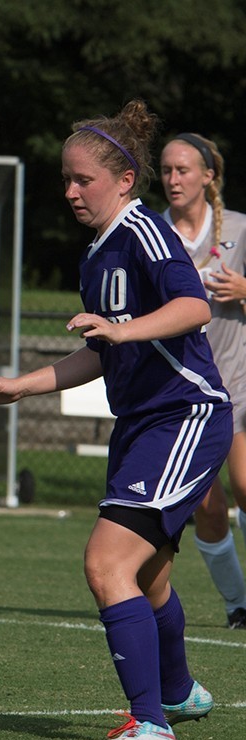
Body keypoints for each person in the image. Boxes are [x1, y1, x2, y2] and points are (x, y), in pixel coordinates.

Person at [0, 101, 231, 740]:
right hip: (142, 425)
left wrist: (124, 328)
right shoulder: (95, 256)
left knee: (105, 562)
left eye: (82, 179)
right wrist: (18, 386)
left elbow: (193, 305)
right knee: (146, 576)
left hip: (185, 416)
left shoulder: (144, 232)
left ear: (124, 181)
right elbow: (99, 350)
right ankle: (178, 691)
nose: (70, 190)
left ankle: (150, 722)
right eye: (65, 178)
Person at [159, 133, 246, 629]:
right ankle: (238, 605)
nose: (174, 179)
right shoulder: (153, 232)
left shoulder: (238, 229)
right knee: (208, 508)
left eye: (184, 170)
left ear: (208, 175)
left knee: (245, 485)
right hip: (182, 391)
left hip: (237, 380)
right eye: (167, 170)